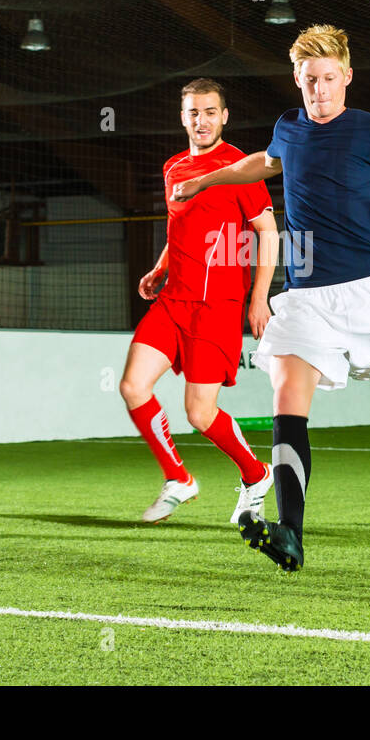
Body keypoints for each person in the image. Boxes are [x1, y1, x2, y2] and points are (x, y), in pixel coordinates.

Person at [173, 25, 370, 573]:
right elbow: (264, 162)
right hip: (306, 295)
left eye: (327, 79)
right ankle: (291, 533)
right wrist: (205, 181)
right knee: (287, 399)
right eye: (308, 80)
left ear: (347, 76)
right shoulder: (289, 127)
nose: (318, 90)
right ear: (296, 80)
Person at [120, 78, 280, 525]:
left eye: (210, 111)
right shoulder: (173, 168)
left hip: (218, 308)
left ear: (224, 117)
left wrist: (259, 298)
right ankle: (179, 479)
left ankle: (256, 474)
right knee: (133, 386)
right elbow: (181, 228)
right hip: (173, 301)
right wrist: (160, 267)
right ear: (183, 117)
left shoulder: (240, 168)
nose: (201, 120)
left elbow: (268, 233)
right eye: (193, 112)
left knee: (199, 413)